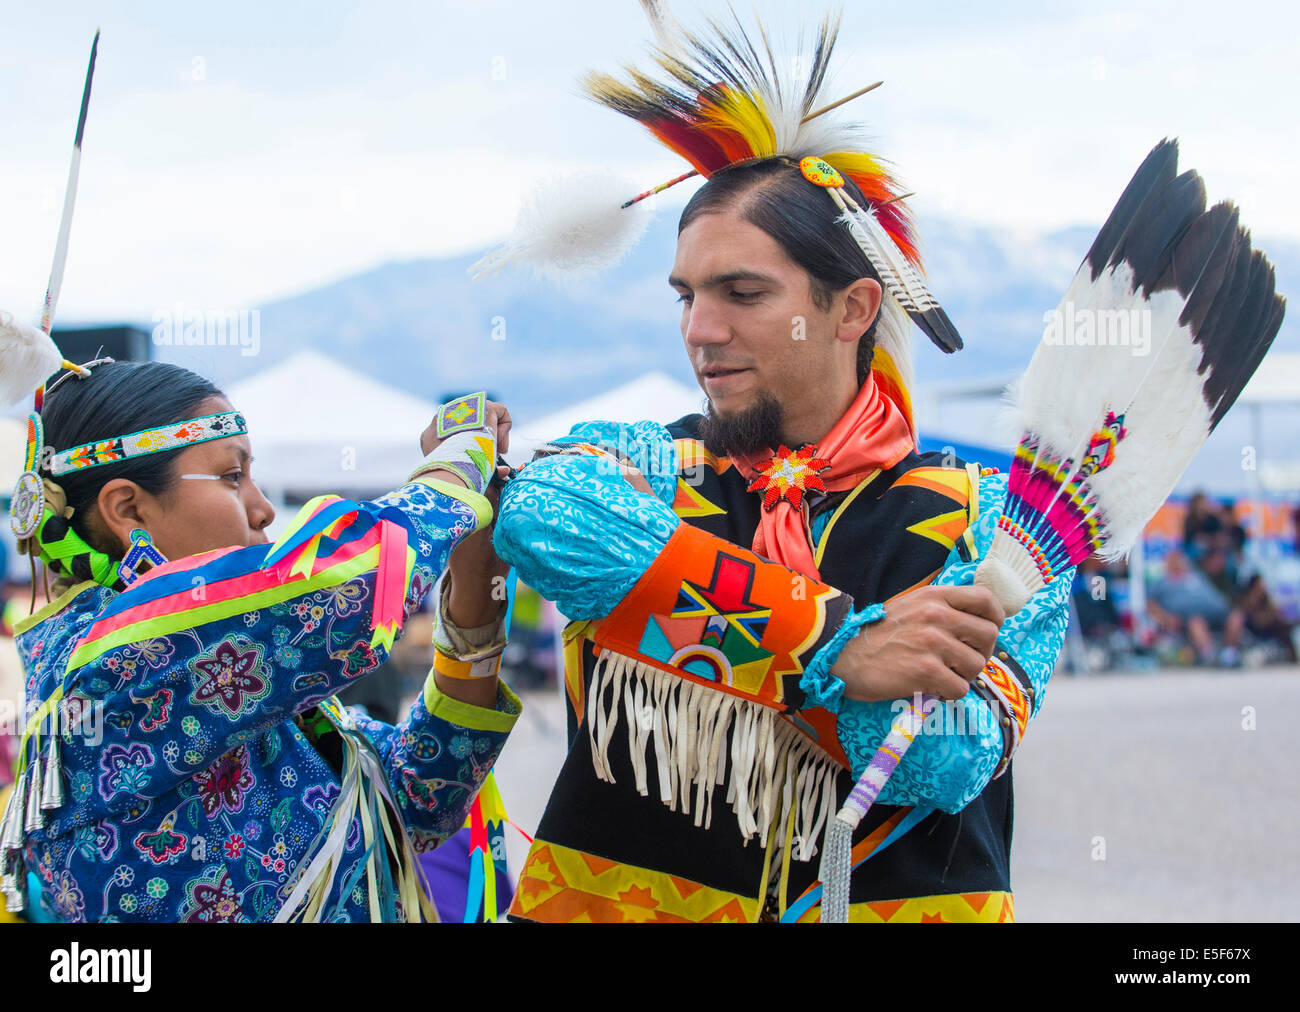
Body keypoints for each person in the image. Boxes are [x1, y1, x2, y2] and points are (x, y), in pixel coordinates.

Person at [492, 10, 1072, 923]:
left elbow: (949, 755)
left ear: (852, 310)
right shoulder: (642, 466)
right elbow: (539, 515)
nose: (699, 329)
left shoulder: (994, 522)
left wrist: (737, 629)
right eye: (687, 294)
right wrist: (835, 646)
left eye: (742, 293)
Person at [0, 361, 519, 922]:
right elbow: (348, 587)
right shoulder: (116, 663)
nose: (263, 508)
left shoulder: (224, 675)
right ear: (129, 511)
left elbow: (419, 799)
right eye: (231, 476)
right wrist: (455, 464)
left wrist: (475, 578)